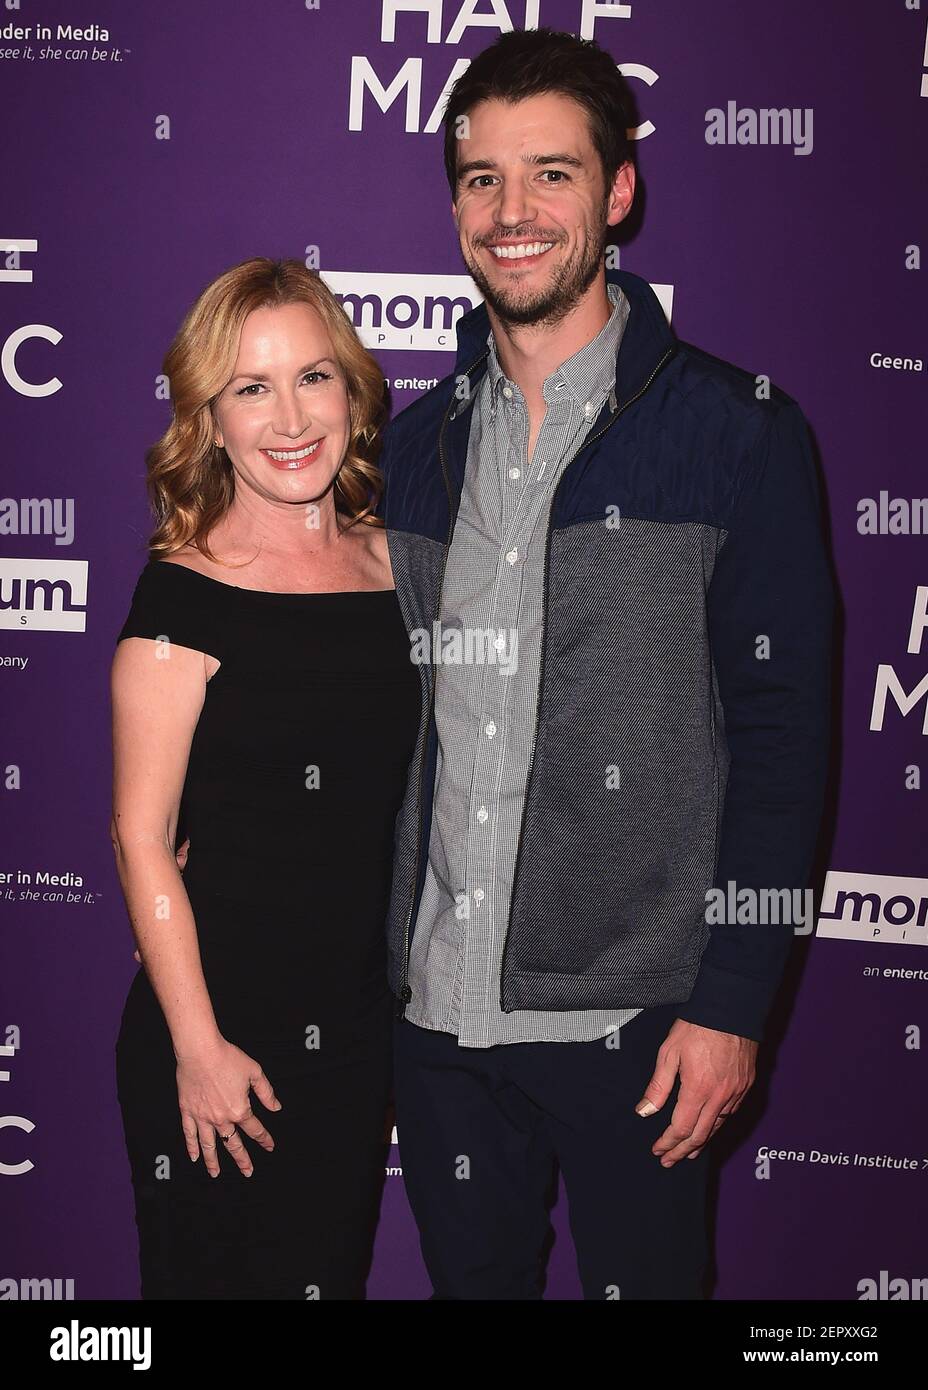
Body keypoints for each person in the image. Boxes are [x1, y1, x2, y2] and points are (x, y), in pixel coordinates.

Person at [379, 28, 834, 1299]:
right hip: (436, 1021)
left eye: (551, 175)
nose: (511, 213)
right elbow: (368, 718)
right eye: (481, 179)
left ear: (619, 191)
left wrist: (733, 1001)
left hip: (636, 1025)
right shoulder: (412, 450)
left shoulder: (735, 435)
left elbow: (786, 735)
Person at [110, 257, 421, 1299]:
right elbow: (142, 836)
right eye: (251, 387)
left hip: (353, 1033)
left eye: (312, 377)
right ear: (211, 416)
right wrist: (198, 1048)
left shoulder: (401, 571)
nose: (290, 417)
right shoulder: (182, 594)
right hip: (215, 1029)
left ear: (353, 391)